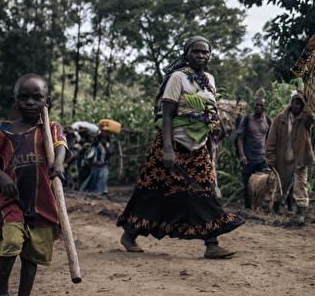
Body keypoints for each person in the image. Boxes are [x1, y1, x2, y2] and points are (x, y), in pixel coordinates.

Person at [116, 37, 243, 259]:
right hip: (173, 143)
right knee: (153, 191)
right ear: (187, 54)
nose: (201, 56)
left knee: (204, 190)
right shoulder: (178, 78)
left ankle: (212, 243)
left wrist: (215, 126)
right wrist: (167, 148)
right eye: (196, 52)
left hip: (198, 146)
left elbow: (210, 110)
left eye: (205, 52)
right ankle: (130, 234)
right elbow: (167, 115)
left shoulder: (209, 80)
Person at [0, 74, 68, 296]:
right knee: (12, 240)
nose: (30, 102)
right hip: (12, 201)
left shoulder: (50, 129)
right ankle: (1, 289)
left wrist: (58, 164)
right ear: (15, 100)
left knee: (32, 256)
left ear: (46, 100)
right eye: (24, 97)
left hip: (42, 203)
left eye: (37, 97)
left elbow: (61, 144)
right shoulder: (4, 131)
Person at [264, 92, 315, 225]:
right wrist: (270, 158)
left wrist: (307, 101)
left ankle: (300, 215)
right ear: (290, 103)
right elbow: (271, 141)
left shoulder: (305, 120)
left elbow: (311, 116)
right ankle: (274, 210)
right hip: (283, 160)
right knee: (281, 187)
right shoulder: (279, 119)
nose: (297, 106)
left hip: (300, 160)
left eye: (300, 103)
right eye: (295, 102)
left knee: (300, 186)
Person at [234, 96, 271, 209]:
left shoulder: (268, 121)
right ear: (254, 106)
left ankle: (260, 208)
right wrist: (242, 155)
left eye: (261, 105)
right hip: (249, 159)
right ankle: (248, 209)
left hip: (262, 159)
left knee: (264, 185)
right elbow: (240, 138)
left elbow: (269, 139)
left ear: (264, 107)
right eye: (257, 105)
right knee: (247, 185)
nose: (258, 107)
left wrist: (268, 155)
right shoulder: (247, 119)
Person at [80, 129, 112, 196]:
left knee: (103, 177)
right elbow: (91, 153)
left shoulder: (108, 144)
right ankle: (93, 191)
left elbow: (109, 153)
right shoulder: (95, 143)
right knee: (94, 179)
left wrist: (105, 145)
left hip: (103, 164)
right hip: (95, 164)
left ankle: (101, 192)